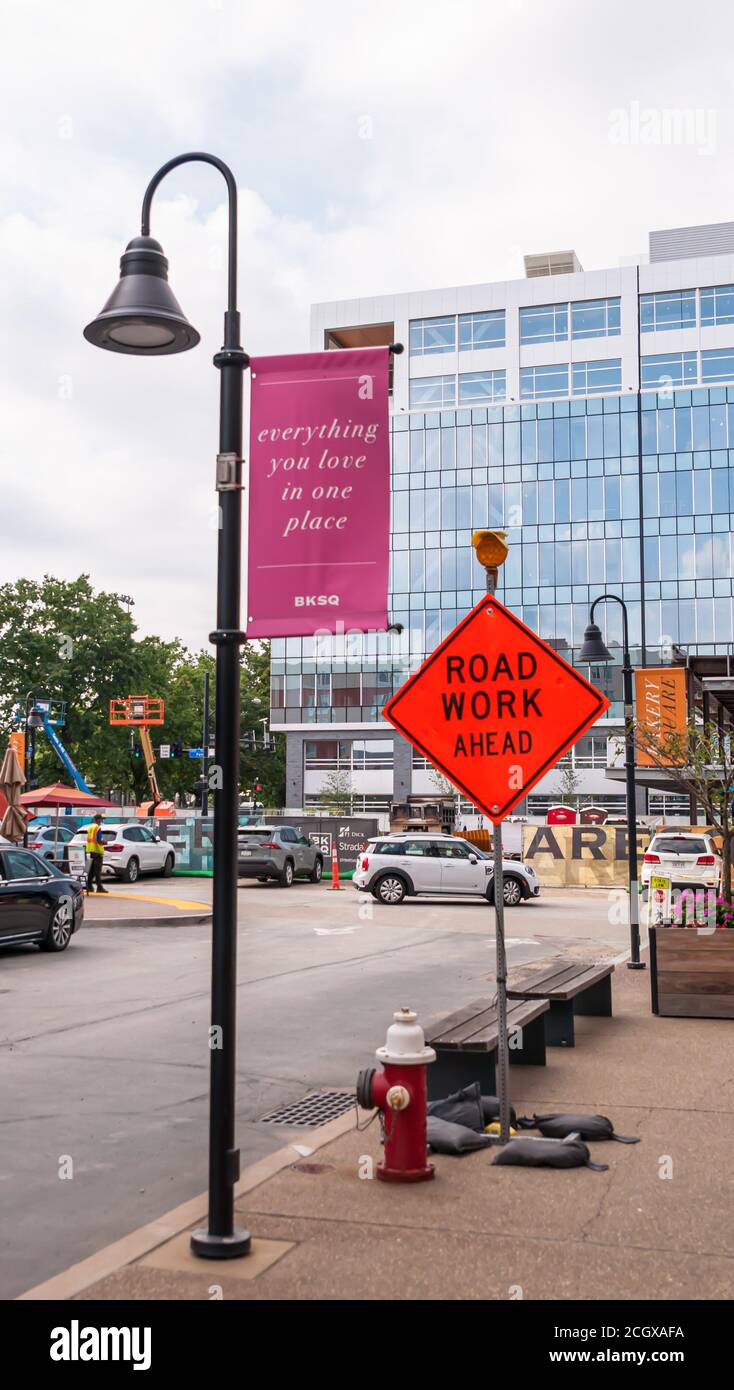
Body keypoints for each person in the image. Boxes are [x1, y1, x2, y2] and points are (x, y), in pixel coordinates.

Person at [86, 814, 108, 894]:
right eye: (101, 819)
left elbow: (90, 839)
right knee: (97, 871)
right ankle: (99, 887)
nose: (102, 821)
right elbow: (99, 840)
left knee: (91, 870)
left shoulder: (90, 827)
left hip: (91, 851)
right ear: (97, 819)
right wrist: (105, 842)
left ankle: (89, 886)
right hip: (97, 851)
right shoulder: (97, 828)